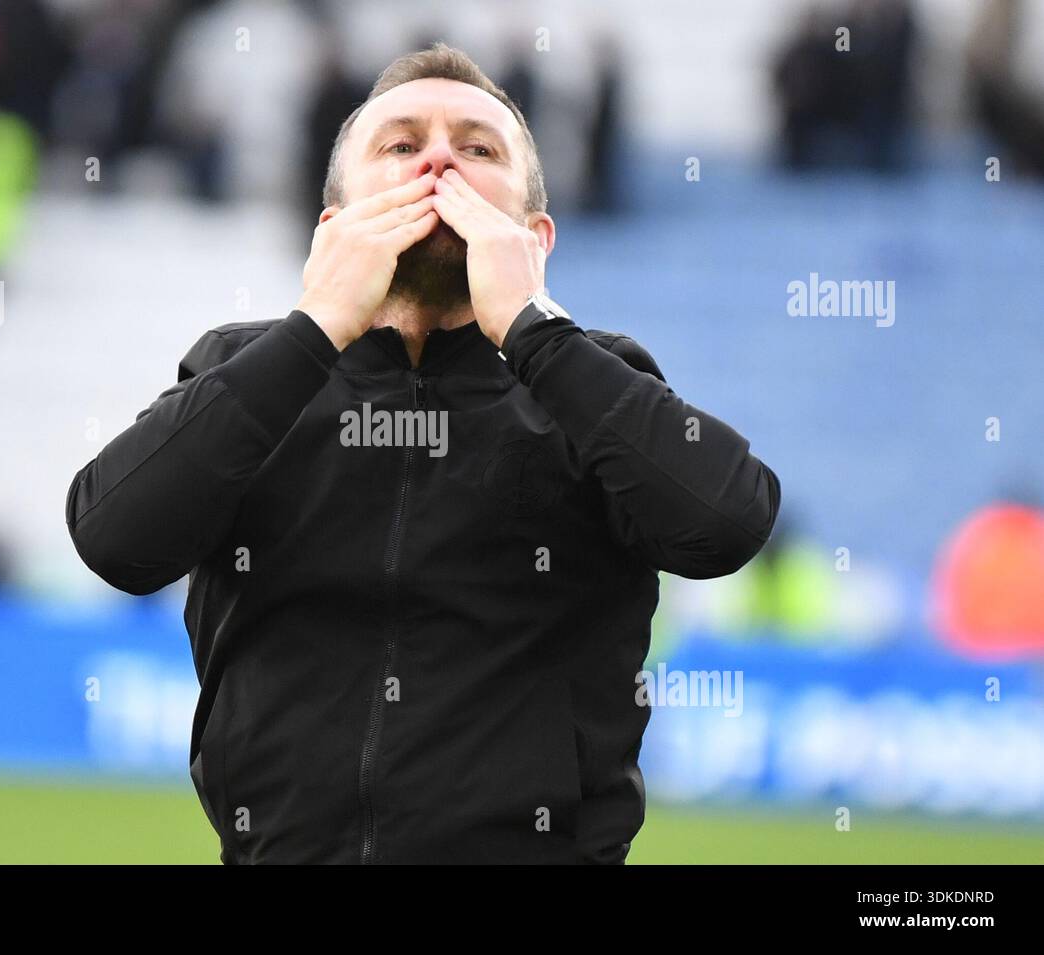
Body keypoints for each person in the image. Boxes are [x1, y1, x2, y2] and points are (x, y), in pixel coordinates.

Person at [65, 44, 781, 864]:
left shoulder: (595, 384)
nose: (438, 158)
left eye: (479, 150)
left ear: (534, 238)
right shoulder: (242, 372)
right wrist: (317, 327)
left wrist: (535, 330)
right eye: (400, 146)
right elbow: (113, 538)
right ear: (332, 227)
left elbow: (729, 521)